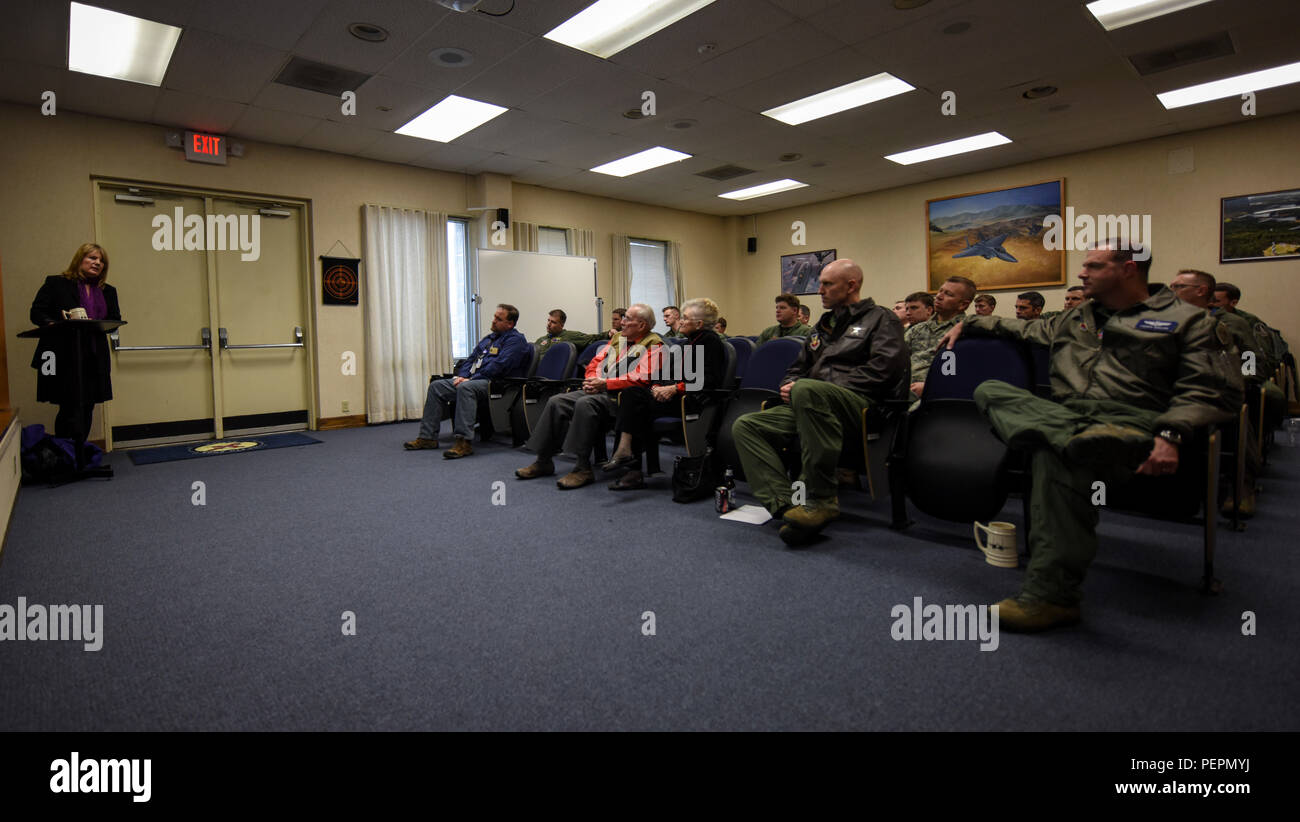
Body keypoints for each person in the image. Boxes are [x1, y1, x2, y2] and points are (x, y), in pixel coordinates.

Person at [940, 241, 1241, 632]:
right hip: (1071, 419)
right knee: (991, 390)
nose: (1082, 273)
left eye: (1094, 266)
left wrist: (1171, 434)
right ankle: (1073, 438)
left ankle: (1051, 598)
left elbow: (1215, 390)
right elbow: (1022, 327)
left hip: (1134, 424)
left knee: (1054, 454)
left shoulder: (1189, 321)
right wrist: (971, 322)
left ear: (1129, 269)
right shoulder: (1076, 317)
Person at [732, 259, 908, 545]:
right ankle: (788, 507)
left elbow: (884, 369)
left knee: (809, 390)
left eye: (827, 284)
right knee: (748, 425)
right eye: (820, 284)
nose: (820, 291)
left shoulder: (881, 318)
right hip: (811, 402)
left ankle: (821, 499)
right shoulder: (823, 325)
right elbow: (798, 367)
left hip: (861, 406)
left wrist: (813, 387)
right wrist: (789, 385)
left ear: (851, 285)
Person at [516, 304, 664, 489]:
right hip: (600, 388)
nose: (622, 323)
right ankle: (544, 460)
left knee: (585, 404)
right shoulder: (618, 338)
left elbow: (641, 378)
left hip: (623, 399)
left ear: (641, 326)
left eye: (627, 319)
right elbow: (595, 362)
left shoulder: (655, 344)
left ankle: (582, 468)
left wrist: (606, 384)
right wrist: (591, 379)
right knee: (557, 401)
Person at [602, 298, 727, 490]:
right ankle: (628, 457)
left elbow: (708, 380)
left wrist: (675, 388)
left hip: (692, 401)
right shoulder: (687, 342)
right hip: (673, 396)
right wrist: (657, 387)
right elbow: (664, 373)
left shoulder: (710, 342)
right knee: (632, 395)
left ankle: (630, 463)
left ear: (699, 324)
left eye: (685, 318)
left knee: (634, 402)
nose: (681, 321)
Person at [1170, 268, 1265, 515]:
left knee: (1235, 411)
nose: (1172, 292)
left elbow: (1249, 357)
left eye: (1179, 287)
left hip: (1217, 389)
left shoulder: (1232, 323)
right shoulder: (1167, 318)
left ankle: (1242, 484)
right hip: (1173, 388)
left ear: (1201, 291)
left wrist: (1243, 379)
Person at [404, 304, 529, 458]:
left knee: (466, 388)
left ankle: (464, 442)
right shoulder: (489, 339)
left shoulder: (516, 341)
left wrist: (470, 379)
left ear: (510, 324)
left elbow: (500, 366)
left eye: (499, 318)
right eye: (494, 316)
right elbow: (470, 360)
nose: (493, 320)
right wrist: (461, 377)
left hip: (497, 384)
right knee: (437, 386)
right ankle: (427, 437)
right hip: (475, 380)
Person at [30, 243, 122, 445]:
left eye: (101, 260)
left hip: (93, 354)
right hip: (63, 354)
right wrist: (54, 323)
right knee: (68, 406)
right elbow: (36, 313)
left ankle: (81, 453)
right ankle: (66, 453)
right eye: (92, 258)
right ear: (79, 259)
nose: (97, 263)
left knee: (88, 405)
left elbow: (115, 319)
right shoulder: (56, 284)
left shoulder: (107, 291)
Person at [907, 276, 975, 398]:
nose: (939, 296)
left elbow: (966, 373)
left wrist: (931, 387)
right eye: (940, 291)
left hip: (942, 395)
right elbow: (897, 360)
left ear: (963, 305)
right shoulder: (917, 330)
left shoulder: (968, 331)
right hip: (905, 390)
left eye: (948, 294)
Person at [535, 309, 599, 358]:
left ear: (562, 325)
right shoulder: (540, 340)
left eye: (553, 322)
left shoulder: (568, 336)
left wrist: (608, 334)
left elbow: (592, 338)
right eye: (548, 320)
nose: (548, 324)